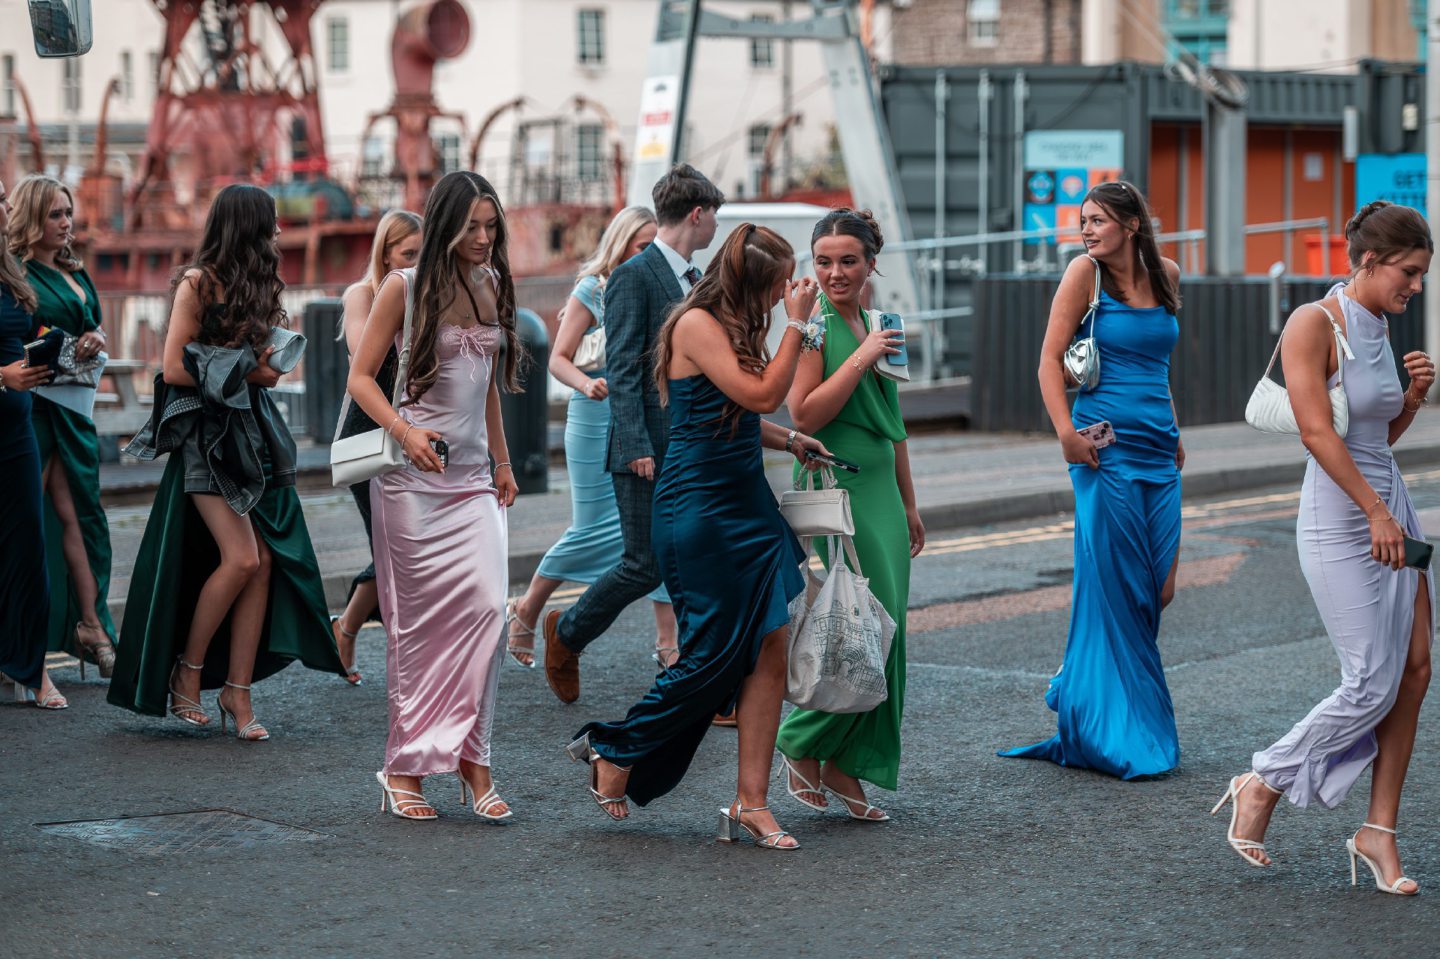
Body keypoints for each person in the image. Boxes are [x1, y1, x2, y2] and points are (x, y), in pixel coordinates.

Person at [565, 223, 829, 852]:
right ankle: (613, 746)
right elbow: (765, 393)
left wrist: (789, 440)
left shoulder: (736, 327)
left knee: (769, 647)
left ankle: (751, 802)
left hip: (745, 503)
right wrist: (797, 325)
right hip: (699, 510)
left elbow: (736, 413)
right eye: (773, 287)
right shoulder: (696, 325)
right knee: (712, 656)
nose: (779, 297)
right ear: (748, 284)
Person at [1214, 202, 1434, 896]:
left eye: (1422, 274)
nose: (1416, 287)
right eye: (1408, 272)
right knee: (1370, 678)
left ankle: (1378, 833)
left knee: (1415, 670)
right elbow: (1316, 432)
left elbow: (1372, 439)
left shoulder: (1381, 320)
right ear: (1368, 261)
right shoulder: (1315, 322)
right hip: (1342, 516)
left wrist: (1414, 400)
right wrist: (1373, 511)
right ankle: (1265, 777)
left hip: (1389, 506)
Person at [108, 183, 344, 738]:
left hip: (251, 434)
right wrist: (248, 368)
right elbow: (170, 368)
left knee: (261, 564)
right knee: (242, 559)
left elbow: (258, 370)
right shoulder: (196, 282)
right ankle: (186, 674)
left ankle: (238, 695)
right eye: (270, 223)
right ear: (247, 227)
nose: (278, 232)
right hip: (206, 440)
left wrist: (266, 365)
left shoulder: (256, 285)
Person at [348, 171, 520, 822]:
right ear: (445, 225)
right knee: (417, 632)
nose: (483, 238)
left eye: (491, 225)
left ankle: (473, 757)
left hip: (473, 476)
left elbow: (488, 387)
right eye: (472, 226)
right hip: (412, 480)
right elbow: (361, 379)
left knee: (487, 614)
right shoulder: (404, 286)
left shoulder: (493, 284)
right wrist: (403, 429)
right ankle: (405, 764)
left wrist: (502, 461)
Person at [999, 180, 1185, 779]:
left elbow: (1158, 365)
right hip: (1102, 450)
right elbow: (1049, 360)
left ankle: (1078, 679)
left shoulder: (1168, 276)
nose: (1086, 230)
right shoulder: (1085, 274)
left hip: (1159, 447)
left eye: (1098, 220)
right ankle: (1119, 728)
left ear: (1132, 225)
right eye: (1083, 220)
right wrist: (1065, 437)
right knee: (1119, 582)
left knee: (1159, 585)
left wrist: (1175, 427)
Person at [542, 164, 724, 705]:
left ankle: (698, 674)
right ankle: (566, 634)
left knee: (693, 559)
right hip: (646, 448)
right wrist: (636, 444)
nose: (715, 226)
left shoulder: (696, 277)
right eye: (714, 215)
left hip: (691, 443)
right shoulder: (633, 275)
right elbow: (621, 369)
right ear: (697, 213)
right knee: (642, 565)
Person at [776, 209, 922, 822]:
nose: (836, 273)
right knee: (855, 624)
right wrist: (860, 353)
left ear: (871, 264)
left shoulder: (883, 322)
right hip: (834, 482)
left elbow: (895, 425)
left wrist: (911, 503)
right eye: (824, 262)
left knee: (887, 632)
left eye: (849, 261)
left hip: (882, 489)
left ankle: (845, 763)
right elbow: (803, 415)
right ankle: (800, 744)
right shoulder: (809, 330)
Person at [505, 206, 678, 670]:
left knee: (657, 528)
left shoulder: (663, 287)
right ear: (621, 245)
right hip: (594, 412)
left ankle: (668, 643)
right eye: (642, 246)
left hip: (641, 420)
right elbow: (558, 358)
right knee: (592, 528)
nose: (650, 254)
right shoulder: (594, 288)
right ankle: (528, 608)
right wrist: (586, 384)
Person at [8, 175, 116, 679]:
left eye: (68, 212)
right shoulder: (18, 274)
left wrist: (93, 334)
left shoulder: (75, 270)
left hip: (76, 408)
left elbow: (89, 321)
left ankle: (90, 622)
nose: (66, 222)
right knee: (51, 519)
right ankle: (85, 626)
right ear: (32, 218)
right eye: (55, 214)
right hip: (40, 407)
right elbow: (25, 333)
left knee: (86, 518)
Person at [331, 209, 422, 684]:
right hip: (370, 436)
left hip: (413, 433)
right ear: (385, 254)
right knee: (392, 550)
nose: (416, 264)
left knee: (401, 545)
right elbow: (362, 350)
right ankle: (406, 661)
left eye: (424, 256)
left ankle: (346, 628)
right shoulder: (362, 294)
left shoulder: (427, 292)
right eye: (408, 255)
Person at [0, 177, 66, 709]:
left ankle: (32, 668)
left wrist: (45, 350)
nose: (5, 205)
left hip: (16, 429)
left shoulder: (9, 270)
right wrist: (2, 376)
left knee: (27, 548)